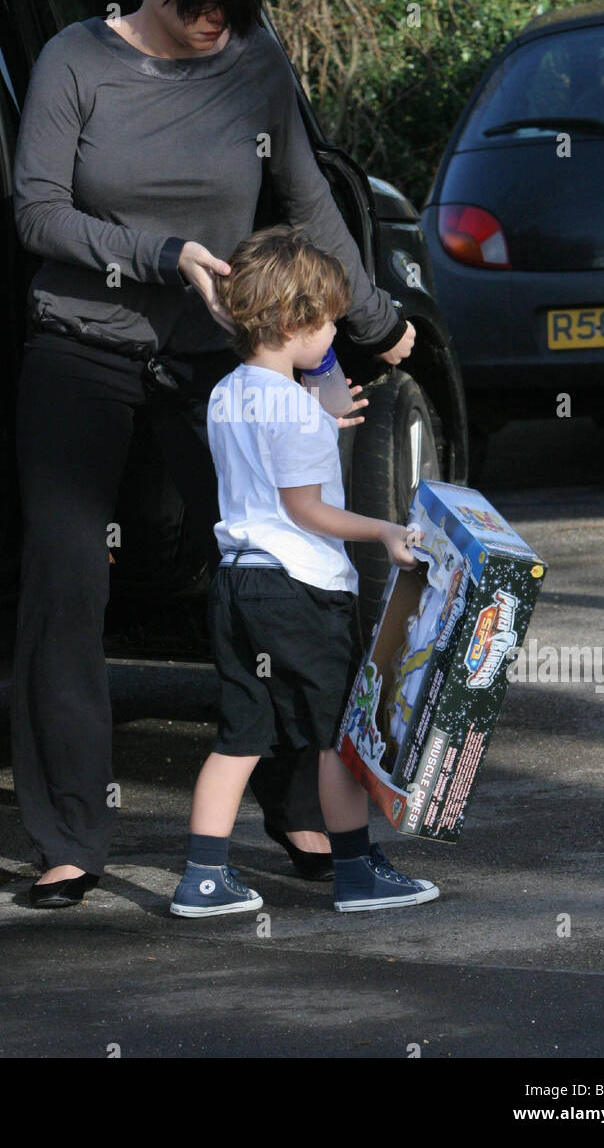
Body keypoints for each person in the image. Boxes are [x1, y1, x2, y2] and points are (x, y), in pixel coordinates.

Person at [10, 0, 416, 908]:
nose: (214, 23)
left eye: (231, 6)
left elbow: (308, 203)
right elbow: (36, 211)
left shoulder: (253, 63)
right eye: (197, 4)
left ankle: (298, 808)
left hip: (222, 367)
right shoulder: (74, 62)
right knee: (67, 583)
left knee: (275, 572)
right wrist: (160, 255)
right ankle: (69, 838)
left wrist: (372, 321)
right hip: (83, 348)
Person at [170, 226, 440, 916]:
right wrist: (384, 530)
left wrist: (317, 414)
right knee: (337, 739)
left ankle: (203, 878)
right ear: (293, 323)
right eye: (326, 323)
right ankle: (356, 872)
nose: (334, 336)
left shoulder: (227, 392)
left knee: (240, 736)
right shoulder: (295, 410)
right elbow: (306, 510)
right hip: (300, 590)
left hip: (238, 582)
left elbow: (269, 453)